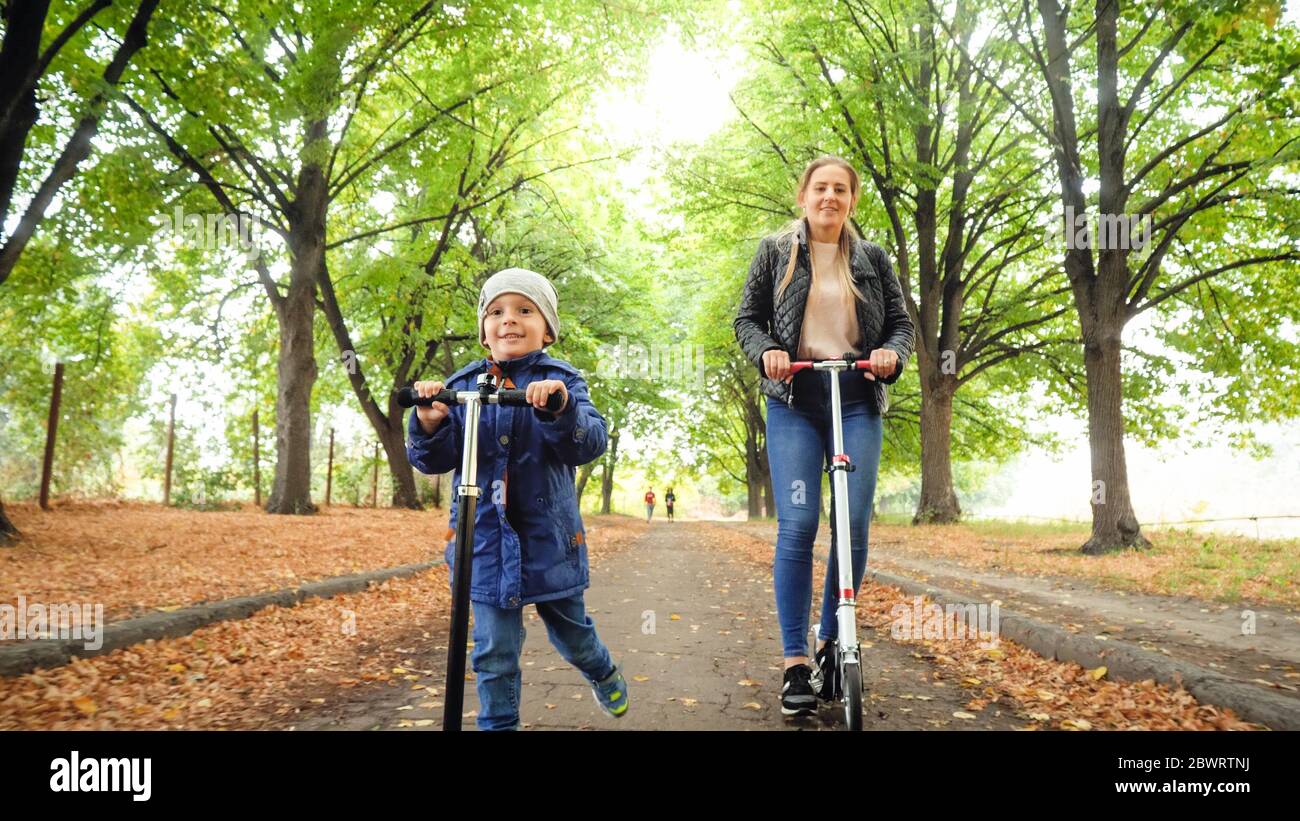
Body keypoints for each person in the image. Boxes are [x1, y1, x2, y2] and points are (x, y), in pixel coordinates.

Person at [406, 267, 629, 730]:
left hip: (549, 540)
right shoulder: (461, 384)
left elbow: (588, 443)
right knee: (494, 653)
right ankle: (499, 724)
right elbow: (434, 459)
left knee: (573, 637)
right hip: (483, 542)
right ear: (484, 331)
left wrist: (560, 408)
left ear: (546, 329)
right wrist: (429, 419)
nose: (509, 320)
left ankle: (600, 668)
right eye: (496, 312)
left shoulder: (561, 379)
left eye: (524, 310)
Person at [733, 156, 914, 717]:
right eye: (820, 188)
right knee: (800, 522)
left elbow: (902, 326)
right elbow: (746, 319)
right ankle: (794, 664)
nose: (829, 197)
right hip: (795, 400)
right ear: (803, 196)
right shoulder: (775, 251)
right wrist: (767, 353)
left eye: (840, 189)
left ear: (851, 200)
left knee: (852, 524)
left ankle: (833, 643)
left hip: (857, 398)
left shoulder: (872, 258)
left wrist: (890, 355)